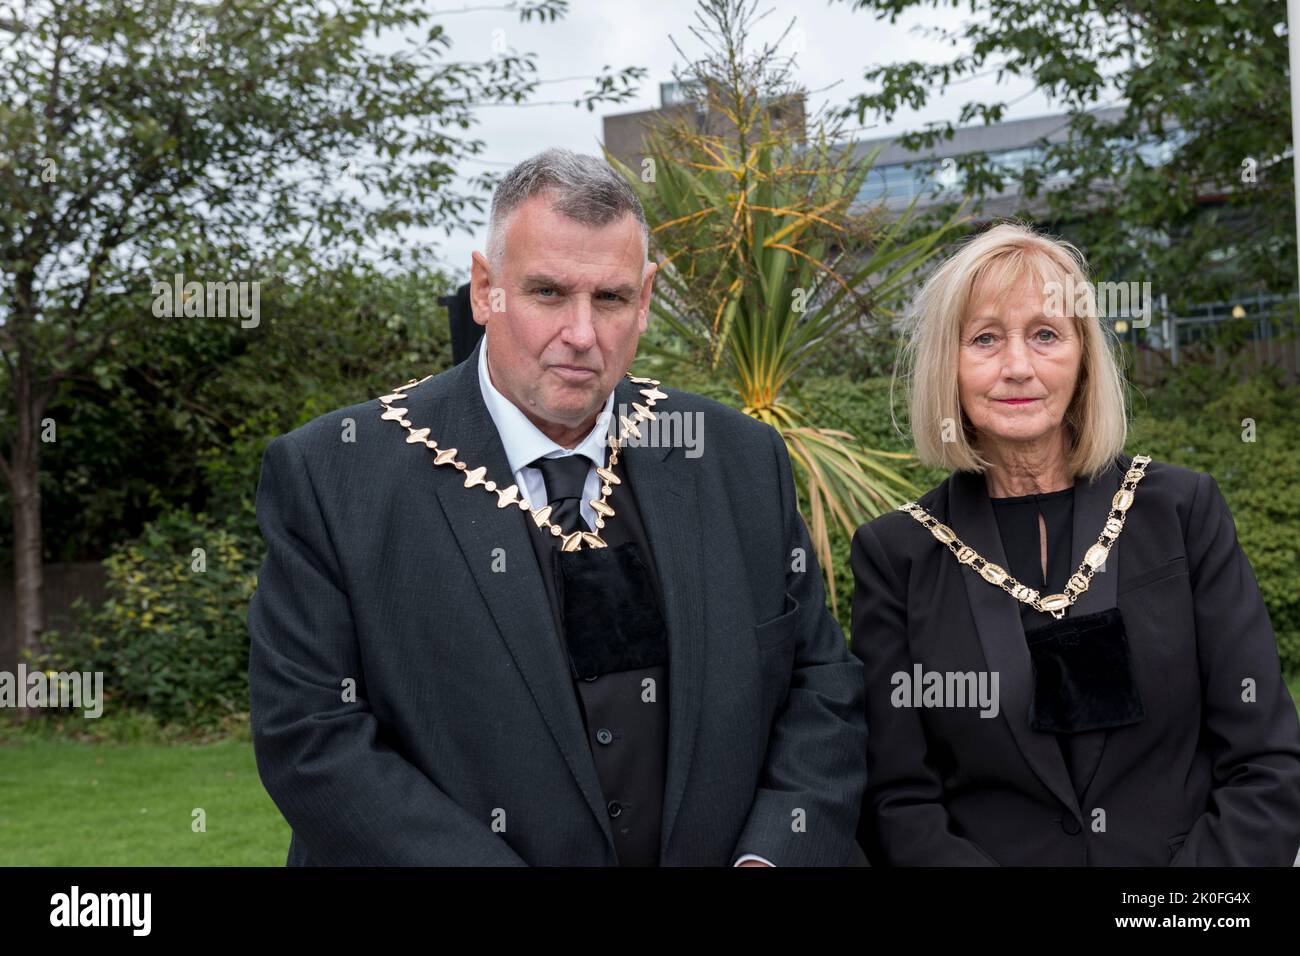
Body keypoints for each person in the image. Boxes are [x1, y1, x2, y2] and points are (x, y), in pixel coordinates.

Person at [247, 148, 867, 866]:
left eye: (610, 298)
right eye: (547, 293)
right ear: (486, 290)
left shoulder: (735, 460)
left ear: (646, 298)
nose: (581, 335)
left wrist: (767, 860)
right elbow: (312, 737)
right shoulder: (336, 475)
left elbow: (821, 688)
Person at [851, 221, 1300, 865]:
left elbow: (1265, 763)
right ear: (945, 367)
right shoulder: (897, 556)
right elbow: (897, 800)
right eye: (984, 339)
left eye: (1045, 334)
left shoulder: (1180, 512)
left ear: (1083, 356)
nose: (1017, 366)